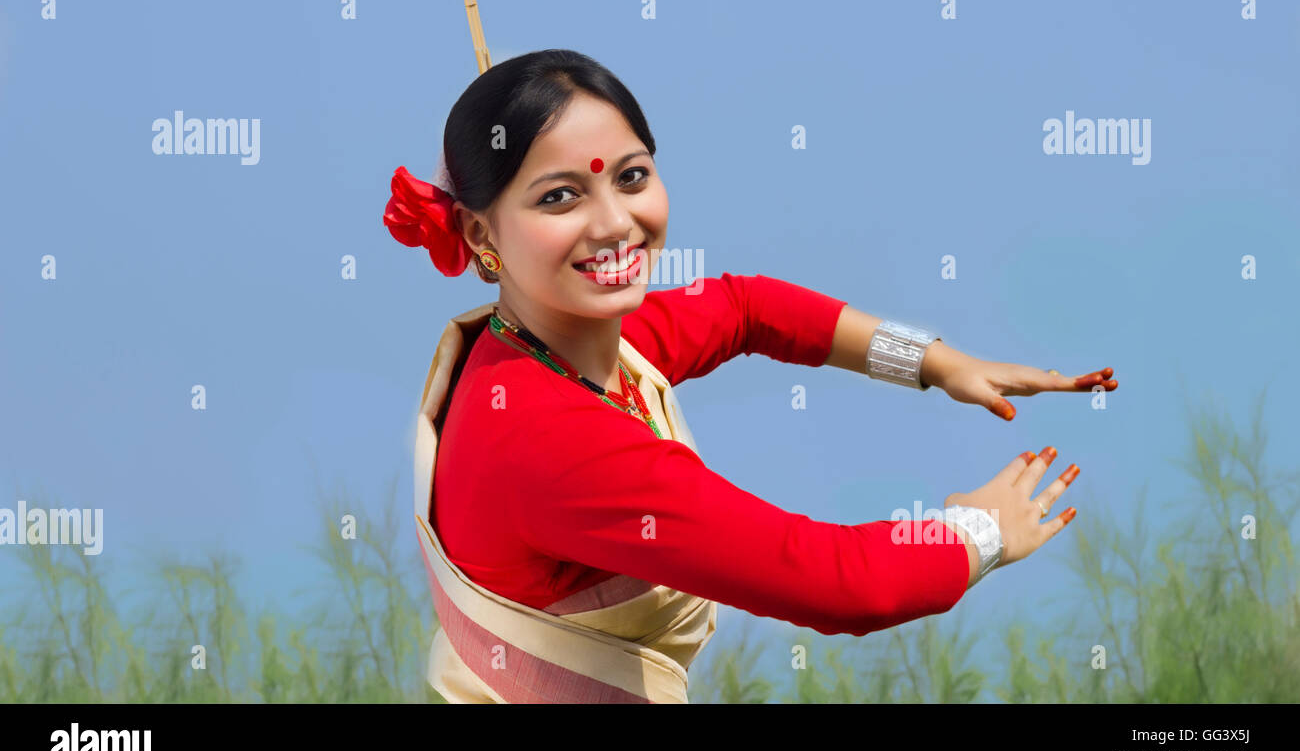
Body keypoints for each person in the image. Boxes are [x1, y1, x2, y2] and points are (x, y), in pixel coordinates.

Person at [383, 49, 1118, 703]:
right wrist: (979, 531)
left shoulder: (555, 345)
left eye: (632, 177)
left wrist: (936, 362)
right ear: (481, 234)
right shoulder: (549, 439)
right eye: (559, 196)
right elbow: (837, 582)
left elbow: (746, 307)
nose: (612, 222)